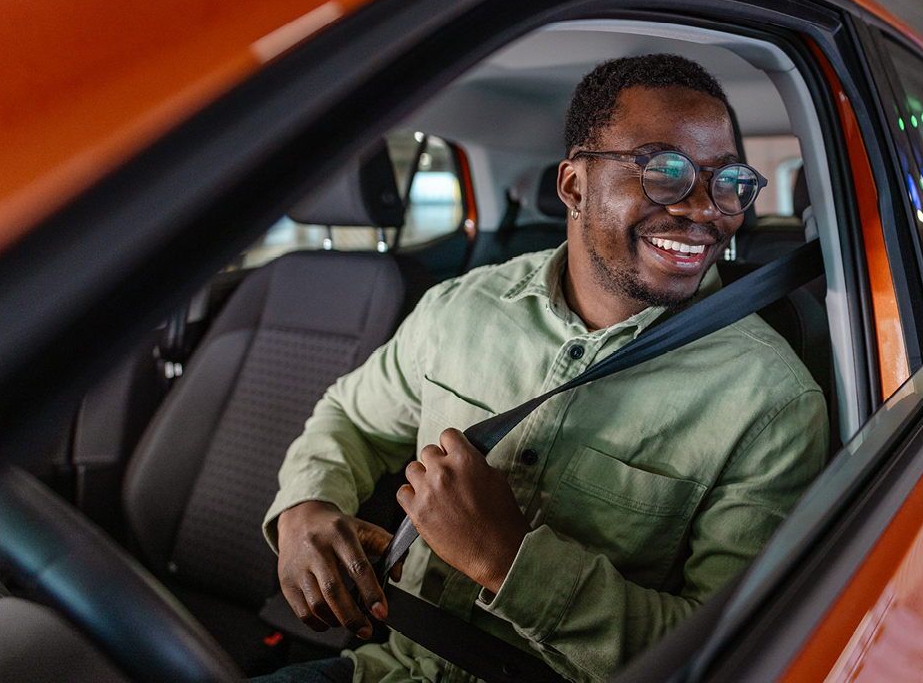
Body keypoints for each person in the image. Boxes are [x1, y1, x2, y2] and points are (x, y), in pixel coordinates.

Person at [257, 53, 828, 683]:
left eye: (728, 182)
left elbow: (719, 651)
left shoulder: (772, 401)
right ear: (573, 186)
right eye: (665, 172)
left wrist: (510, 562)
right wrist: (306, 506)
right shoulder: (461, 307)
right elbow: (349, 414)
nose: (704, 210)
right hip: (389, 668)